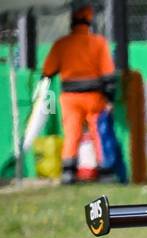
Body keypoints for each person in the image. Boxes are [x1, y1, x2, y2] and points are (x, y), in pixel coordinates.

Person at [41, 5, 116, 184]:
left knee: (71, 134)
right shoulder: (98, 43)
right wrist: (110, 99)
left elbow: (48, 71)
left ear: (71, 23)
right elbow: (108, 75)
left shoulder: (62, 44)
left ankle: (68, 173)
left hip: (70, 98)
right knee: (99, 133)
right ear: (89, 22)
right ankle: (106, 173)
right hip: (94, 97)